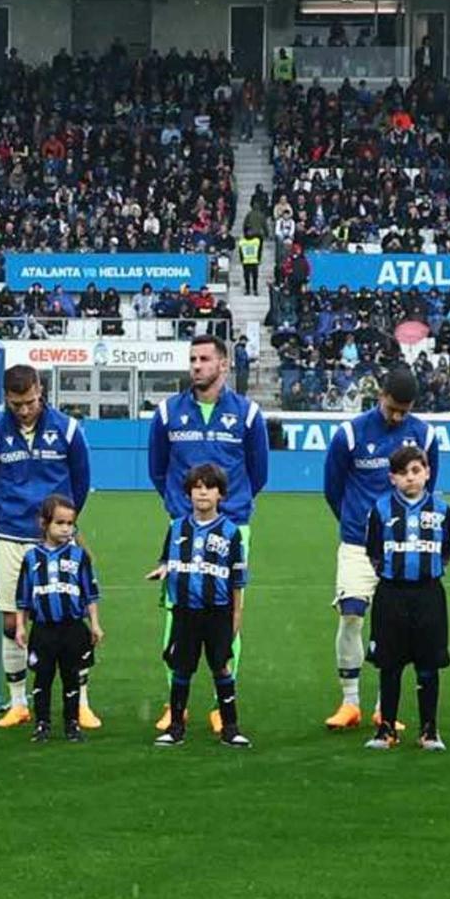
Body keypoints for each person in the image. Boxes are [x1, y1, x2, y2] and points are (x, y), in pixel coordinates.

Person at [147, 333, 268, 733]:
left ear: (223, 364)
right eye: (193, 359)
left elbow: (258, 472)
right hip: (183, 526)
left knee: (228, 611)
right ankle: (175, 705)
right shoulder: (168, 412)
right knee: (177, 612)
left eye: (204, 359)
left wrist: (229, 511)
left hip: (232, 526)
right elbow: (158, 469)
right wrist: (179, 507)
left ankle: (222, 703)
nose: (196, 366)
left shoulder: (247, 414)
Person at [322, 364, 439, 731]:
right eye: (392, 408)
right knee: (351, 614)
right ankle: (350, 701)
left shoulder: (424, 435)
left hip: (403, 548)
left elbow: (428, 490)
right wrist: (357, 523)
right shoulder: (350, 433)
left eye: (405, 410)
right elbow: (333, 488)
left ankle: (382, 708)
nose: (398, 416)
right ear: (381, 395)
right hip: (358, 544)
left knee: (393, 627)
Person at [0, 364, 95, 729]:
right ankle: (18, 702)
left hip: (59, 541)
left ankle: (81, 703)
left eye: (30, 401)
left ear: (40, 391)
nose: (25, 410)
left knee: (70, 617)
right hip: (11, 536)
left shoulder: (68, 429)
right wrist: (8, 512)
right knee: (12, 618)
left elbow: (81, 482)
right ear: (6, 398)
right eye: (17, 404)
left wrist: (61, 525)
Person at [146, 462, 250, 748]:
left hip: (217, 612)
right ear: (188, 493)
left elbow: (237, 580)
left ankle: (230, 727)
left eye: (209, 488)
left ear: (221, 495)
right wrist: (163, 569)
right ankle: (175, 727)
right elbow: (166, 558)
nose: (203, 493)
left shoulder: (230, 532)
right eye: (197, 487)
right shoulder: (177, 528)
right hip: (184, 612)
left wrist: (236, 615)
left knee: (221, 667)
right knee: (181, 668)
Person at [363, 443, 450, 750]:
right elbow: (373, 550)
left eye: (416, 470)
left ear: (427, 473)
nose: (410, 478)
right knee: (389, 665)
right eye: (402, 473)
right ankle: (386, 729)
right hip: (392, 594)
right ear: (392, 478)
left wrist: (428, 570)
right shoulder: (381, 509)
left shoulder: (442, 510)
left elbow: (449, 548)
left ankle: (429, 730)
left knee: (428, 666)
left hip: (429, 595)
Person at [13, 494, 103, 743]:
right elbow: (22, 597)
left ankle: (72, 723)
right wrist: (20, 626)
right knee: (42, 677)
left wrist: (95, 624)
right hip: (43, 629)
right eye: (59, 523)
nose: (65, 529)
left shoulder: (79, 557)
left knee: (71, 676)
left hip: (72, 628)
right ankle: (42, 723)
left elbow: (90, 594)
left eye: (70, 524)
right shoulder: (31, 557)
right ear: (44, 523)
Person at [238, 233, 262, 297]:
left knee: (255, 277)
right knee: (246, 277)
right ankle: (247, 290)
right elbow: (240, 252)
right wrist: (242, 260)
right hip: (246, 262)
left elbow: (259, 250)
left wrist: (259, 259)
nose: (249, 233)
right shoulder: (242, 241)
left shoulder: (256, 240)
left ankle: (255, 290)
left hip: (254, 261)